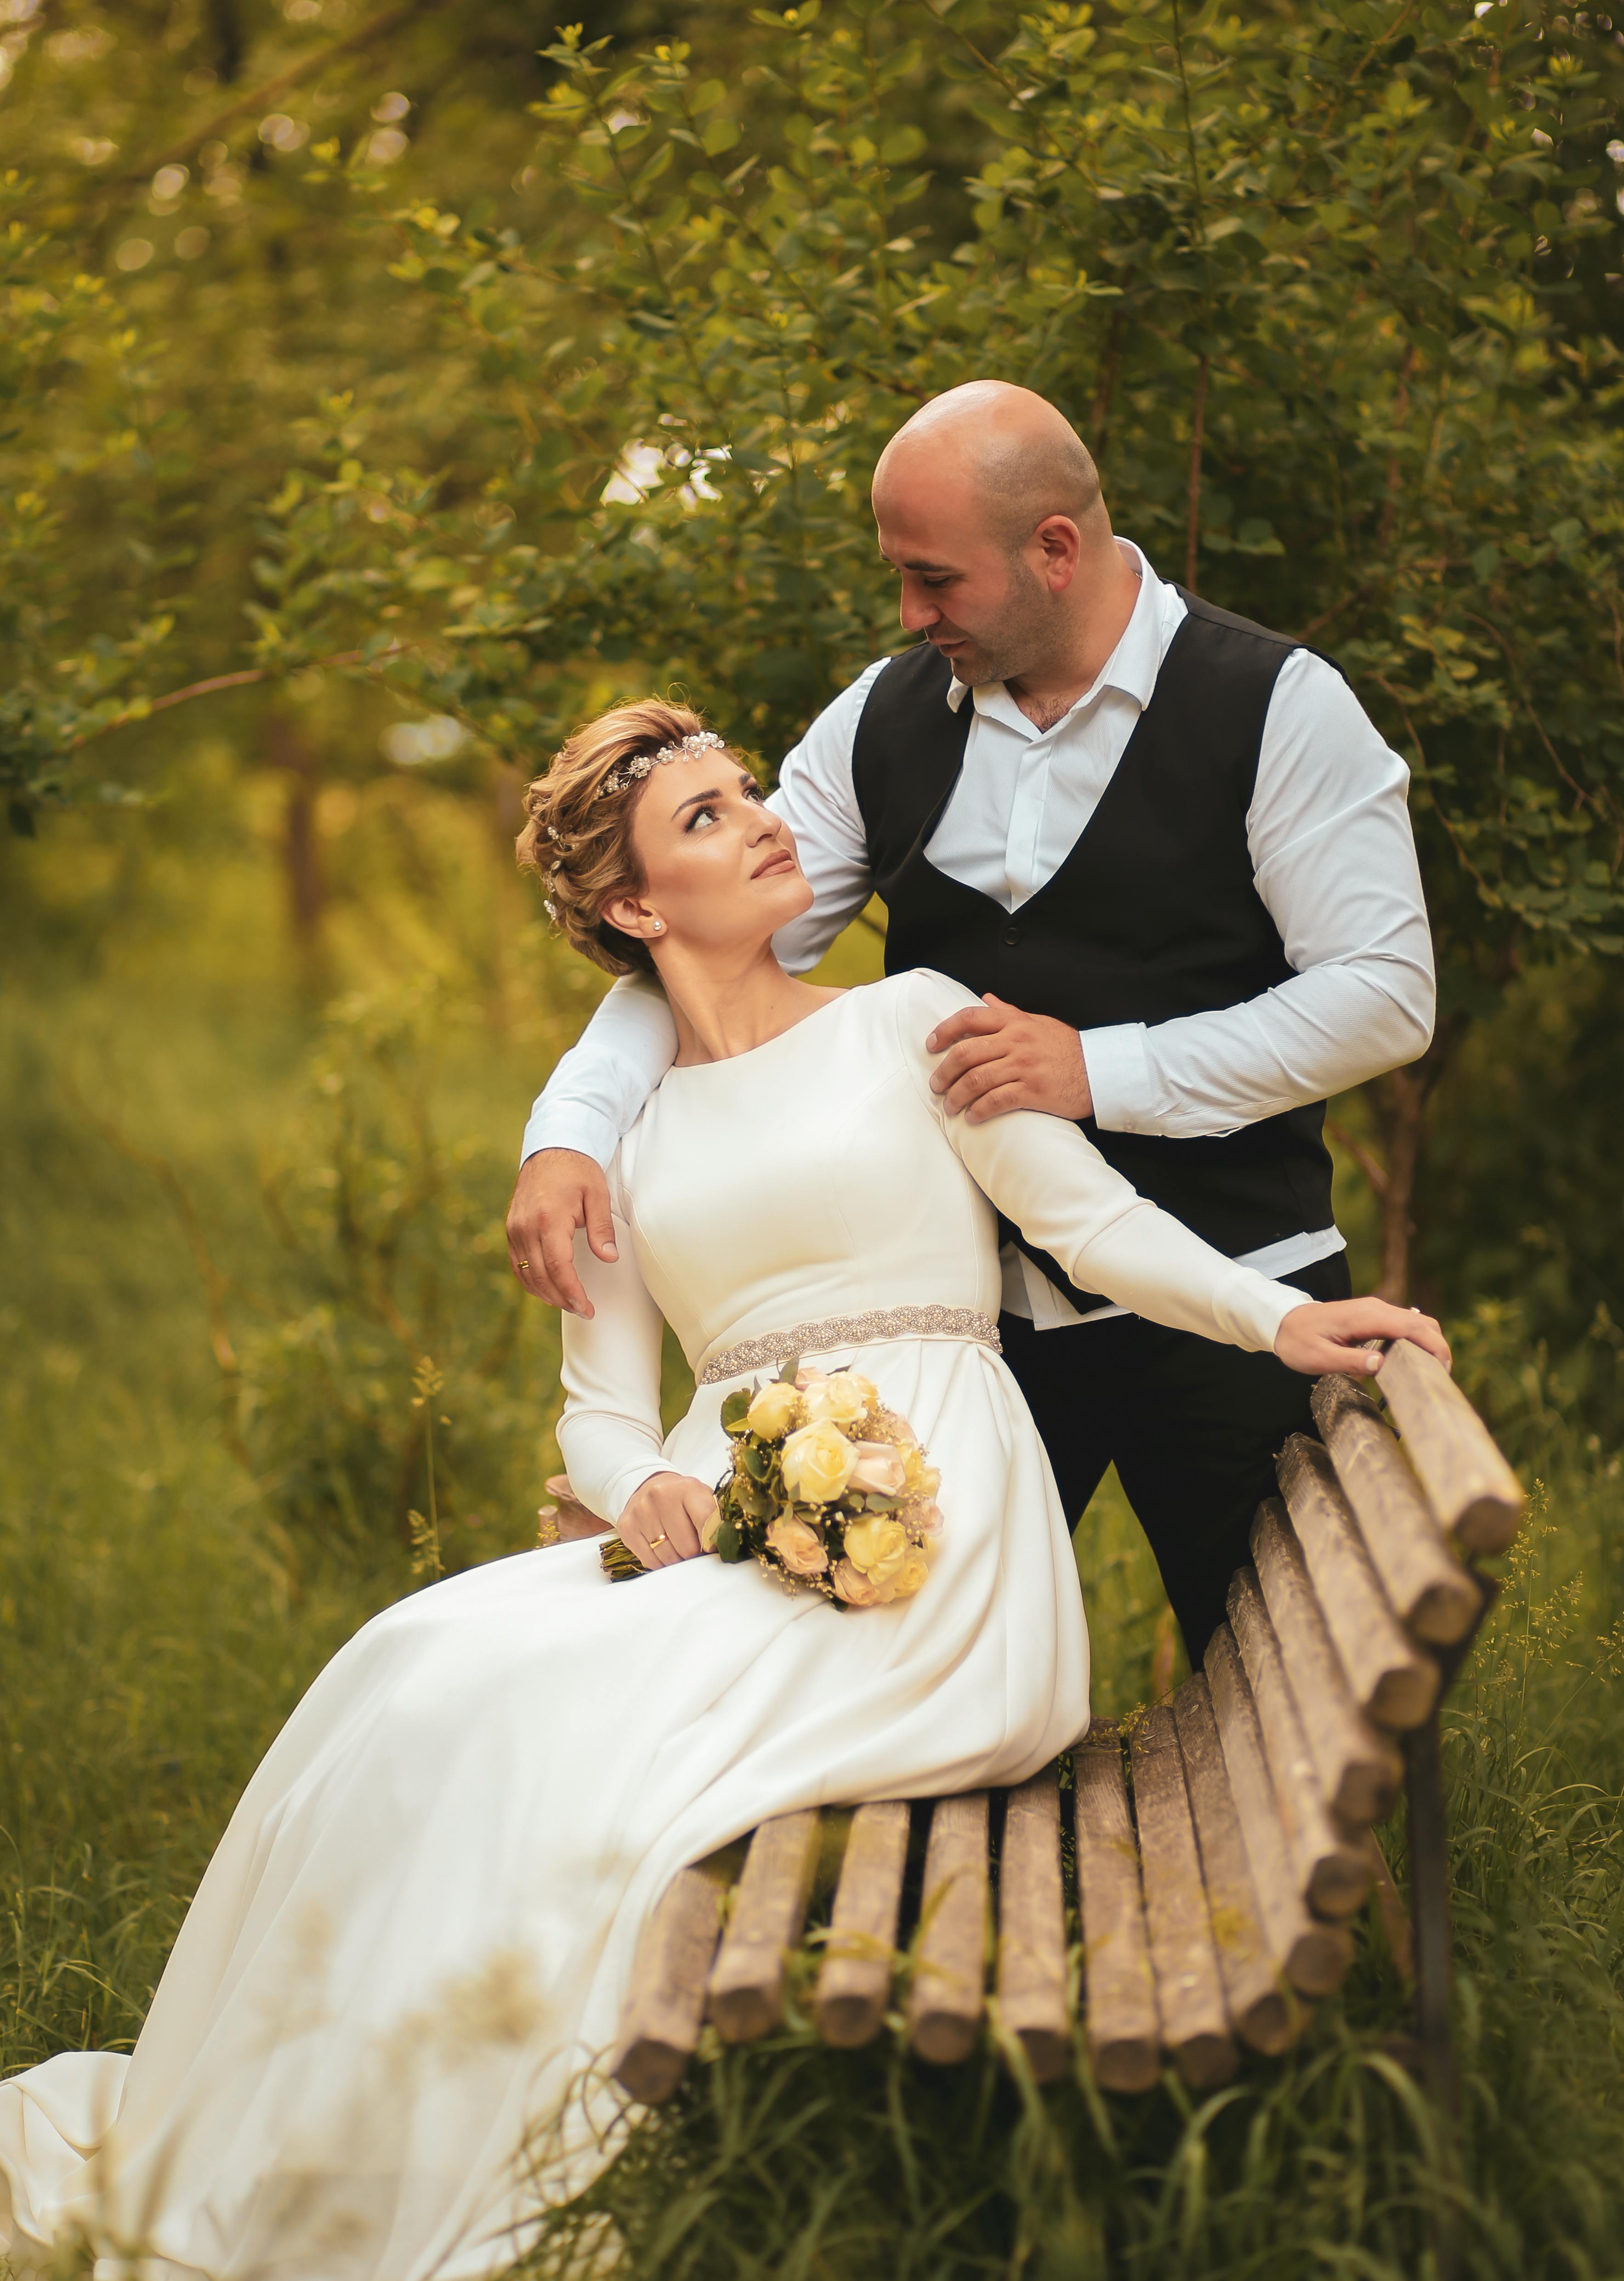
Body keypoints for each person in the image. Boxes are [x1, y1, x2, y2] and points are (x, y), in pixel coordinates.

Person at [0, 702, 1445, 2281]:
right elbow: (606, 1414)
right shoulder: (614, 1145)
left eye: (752, 794)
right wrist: (637, 1500)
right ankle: (303, 2152)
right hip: (721, 1513)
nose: (765, 822)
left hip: (930, 1533)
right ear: (634, 909)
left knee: (555, 1740)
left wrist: (1282, 1317)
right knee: (411, 1679)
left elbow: (1091, 1230)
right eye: (706, 818)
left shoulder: (913, 1020)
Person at [507, 380, 1436, 1661]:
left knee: (1284, 1692)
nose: (909, 613)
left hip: (1227, 1292)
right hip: (980, 1348)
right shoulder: (884, 724)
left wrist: (1101, 1071)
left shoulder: (1277, 708)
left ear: (1054, 550)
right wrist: (571, 1129)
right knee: (884, 1671)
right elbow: (699, 953)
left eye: (934, 579)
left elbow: (1385, 996)